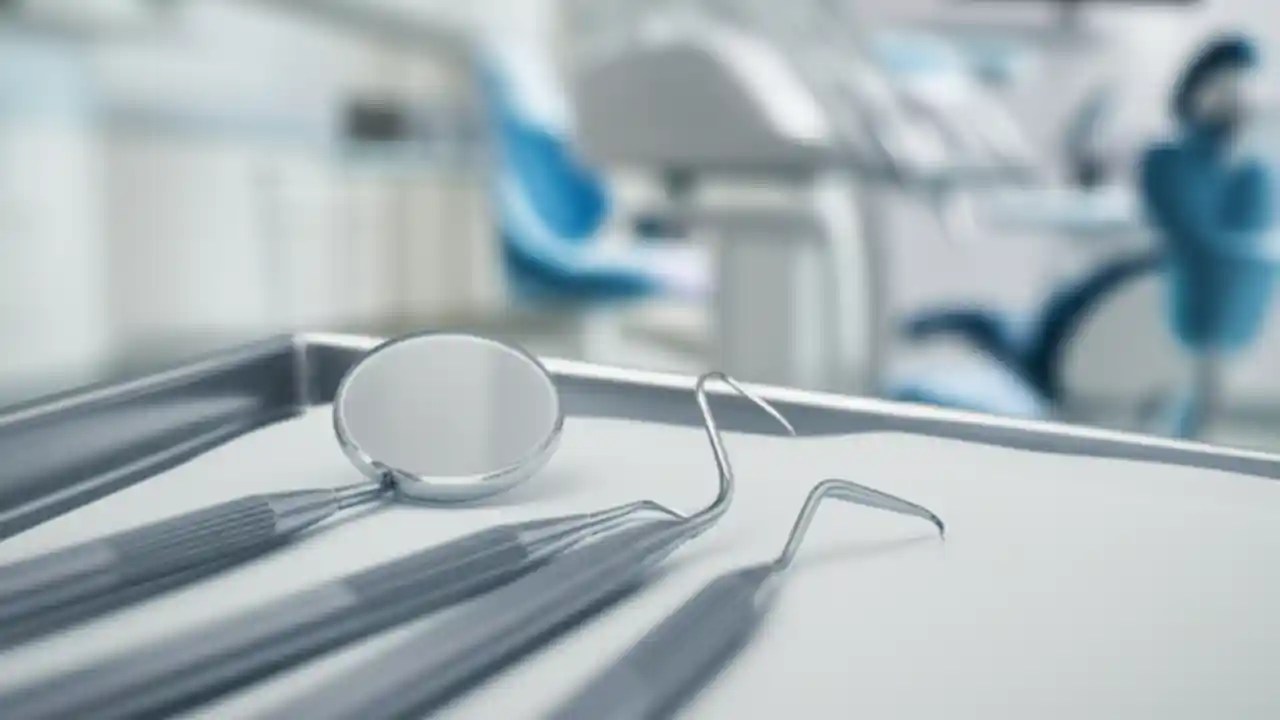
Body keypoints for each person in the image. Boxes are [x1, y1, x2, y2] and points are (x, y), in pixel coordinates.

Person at [1140, 34, 1277, 436]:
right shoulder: (1169, 159)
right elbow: (1192, 235)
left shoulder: (1254, 170)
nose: (1240, 97)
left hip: (1229, 319)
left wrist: (1241, 151)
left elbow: (1254, 231)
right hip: (1185, 305)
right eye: (1228, 85)